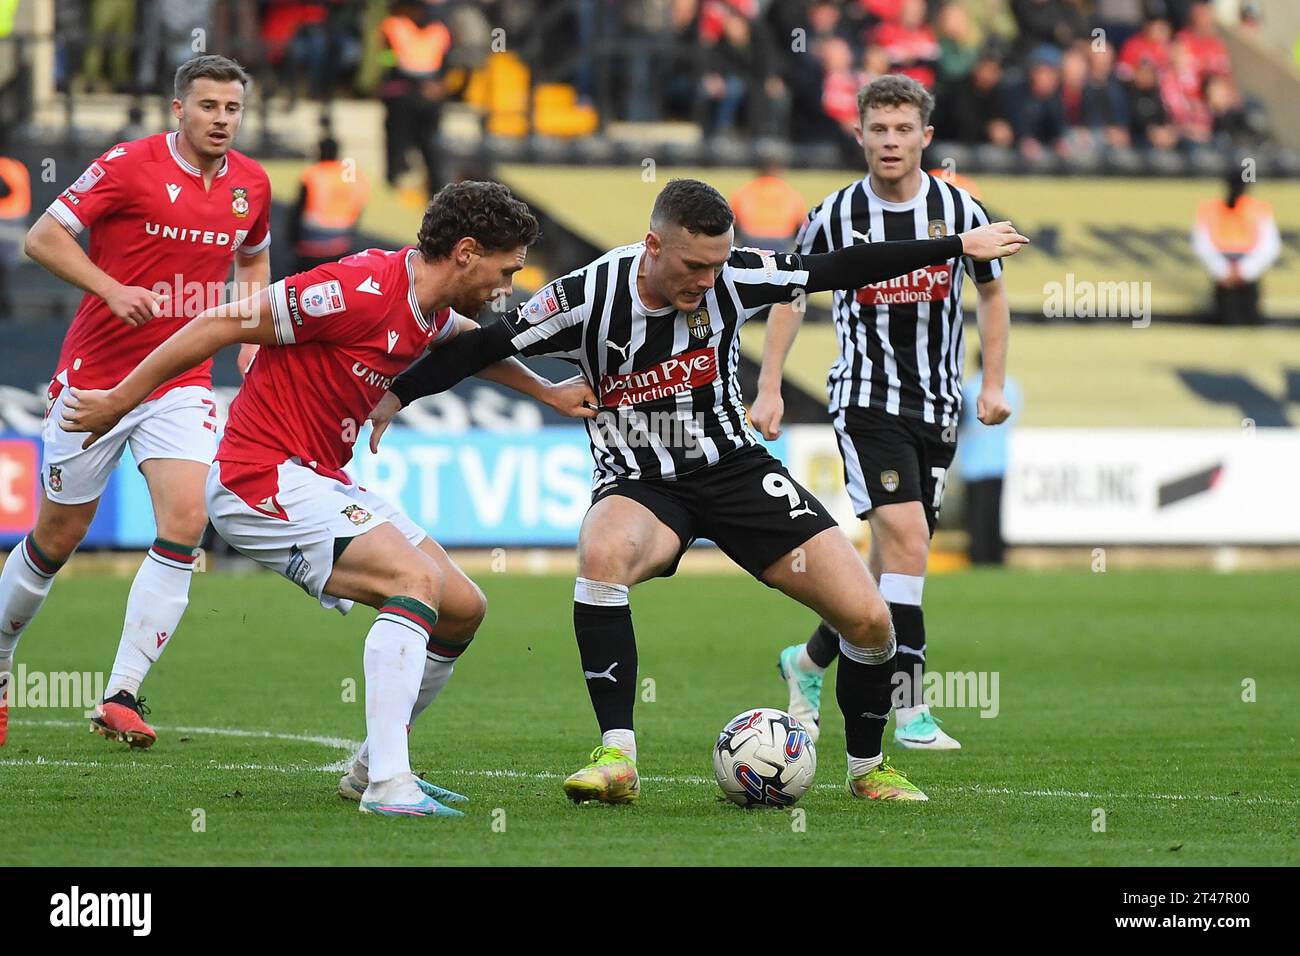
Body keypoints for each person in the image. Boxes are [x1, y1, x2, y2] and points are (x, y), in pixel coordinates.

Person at [369, 178, 1027, 805]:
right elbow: (478, 347)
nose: (706, 281)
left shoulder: (734, 276)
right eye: (692, 265)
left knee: (868, 617)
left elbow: (837, 269)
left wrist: (954, 246)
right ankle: (616, 755)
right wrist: (397, 394)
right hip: (641, 483)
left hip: (735, 470)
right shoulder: (586, 296)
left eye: (715, 266)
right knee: (602, 552)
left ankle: (866, 768)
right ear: (653, 246)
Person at [61, 181, 598, 817]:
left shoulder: (425, 307)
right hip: (256, 475)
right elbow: (218, 321)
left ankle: (370, 765)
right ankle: (389, 786)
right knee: (412, 581)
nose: (507, 286)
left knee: (461, 607)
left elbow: (468, 350)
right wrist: (121, 399)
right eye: (506, 269)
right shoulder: (354, 290)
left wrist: (549, 392)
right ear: (465, 251)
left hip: (318, 476)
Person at [0, 55, 272, 749]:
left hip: (179, 380)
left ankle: (120, 693)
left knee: (185, 517)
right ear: (177, 110)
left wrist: (247, 329)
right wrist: (109, 289)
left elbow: (253, 257)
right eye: (208, 106)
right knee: (58, 538)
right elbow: (41, 238)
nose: (221, 119)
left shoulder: (252, 185)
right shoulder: (127, 164)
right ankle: (2, 666)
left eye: (232, 108)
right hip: (95, 376)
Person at [751, 74, 1015, 752]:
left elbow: (990, 296)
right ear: (860, 134)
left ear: (925, 137)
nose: (890, 141)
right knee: (909, 542)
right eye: (879, 129)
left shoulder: (962, 210)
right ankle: (911, 707)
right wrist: (771, 385)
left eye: (903, 130)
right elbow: (790, 295)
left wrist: (991, 383)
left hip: (936, 405)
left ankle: (805, 662)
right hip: (866, 400)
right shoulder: (834, 213)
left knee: (889, 567)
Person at [1192, 172, 1280, 326]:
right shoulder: (1211, 209)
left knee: (1252, 319)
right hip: (1223, 277)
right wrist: (1224, 270)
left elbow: (1269, 246)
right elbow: (1202, 245)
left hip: (1248, 275)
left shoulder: (1258, 209)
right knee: (1225, 319)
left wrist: (1244, 270)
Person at [961, 353, 1022, 565]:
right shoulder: (1012, 387)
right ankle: (996, 556)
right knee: (994, 512)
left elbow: (959, 422)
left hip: (973, 460)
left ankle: (978, 556)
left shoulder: (969, 388)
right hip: (999, 458)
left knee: (976, 514)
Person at [286, 136, 371, 272]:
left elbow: (297, 210)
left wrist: (291, 238)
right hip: (341, 243)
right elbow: (360, 204)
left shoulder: (313, 175)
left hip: (311, 245)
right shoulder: (352, 175)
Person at [728, 160, 808, 251]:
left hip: (750, 238)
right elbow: (800, 224)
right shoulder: (790, 192)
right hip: (781, 239)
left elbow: (732, 220)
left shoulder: (745, 190)